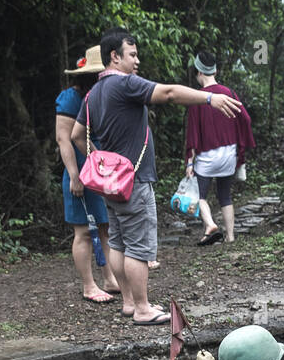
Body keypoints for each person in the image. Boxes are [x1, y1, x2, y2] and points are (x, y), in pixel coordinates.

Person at [70, 29, 240, 325]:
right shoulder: (124, 84)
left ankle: (128, 303)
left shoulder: (92, 94)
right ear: (115, 56)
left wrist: (98, 160)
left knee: (120, 244)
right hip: (133, 180)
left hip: (109, 184)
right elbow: (169, 93)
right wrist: (209, 99)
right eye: (132, 55)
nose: (137, 61)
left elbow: (75, 135)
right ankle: (143, 308)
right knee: (138, 247)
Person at [55, 45, 123, 304]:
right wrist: (74, 175)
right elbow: (64, 140)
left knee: (105, 227)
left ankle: (109, 278)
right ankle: (88, 285)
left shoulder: (99, 95)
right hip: (81, 173)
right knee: (83, 231)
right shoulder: (69, 98)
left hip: (102, 171)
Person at [184, 51, 255, 246]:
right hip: (229, 154)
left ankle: (211, 225)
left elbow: (192, 135)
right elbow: (246, 119)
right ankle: (231, 237)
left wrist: (189, 162)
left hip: (207, 157)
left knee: (200, 196)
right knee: (225, 195)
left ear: (199, 73)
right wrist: (238, 141)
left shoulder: (197, 98)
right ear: (215, 70)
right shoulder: (229, 93)